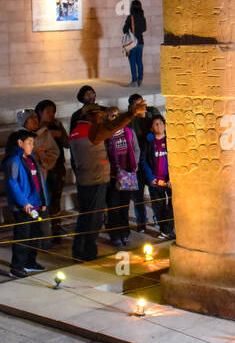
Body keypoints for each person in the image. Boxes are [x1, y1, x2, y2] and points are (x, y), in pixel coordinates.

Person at [69, 102, 134, 261]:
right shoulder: (89, 131)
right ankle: (85, 252)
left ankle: (84, 250)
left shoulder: (80, 130)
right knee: (92, 219)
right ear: (89, 117)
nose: (101, 119)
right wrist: (131, 113)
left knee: (89, 218)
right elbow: (114, 126)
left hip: (90, 179)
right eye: (98, 116)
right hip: (94, 181)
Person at [1, 130, 48, 278]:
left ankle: (30, 262)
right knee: (22, 236)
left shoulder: (31, 159)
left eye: (32, 143)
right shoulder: (13, 161)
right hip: (23, 207)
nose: (32, 146)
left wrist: (43, 200)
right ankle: (17, 267)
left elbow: (39, 181)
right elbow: (12, 183)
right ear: (20, 143)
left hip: (35, 204)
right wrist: (23, 202)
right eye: (29, 143)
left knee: (35, 234)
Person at [128, 94, 164, 234]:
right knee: (138, 196)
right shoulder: (131, 119)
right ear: (132, 107)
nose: (140, 106)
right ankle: (141, 222)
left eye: (141, 103)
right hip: (137, 162)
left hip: (151, 161)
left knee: (155, 193)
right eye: (137, 105)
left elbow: (160, 126)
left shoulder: (152, 113)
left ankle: (158, 219)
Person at [35, 99, 70, 237]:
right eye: (48, 111)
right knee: (43, 198)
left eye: (53, 112)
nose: (51, 115)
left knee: (56, 197)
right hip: (42, 167)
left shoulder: (57, 124)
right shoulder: (35, 127)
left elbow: (68, 143)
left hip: (57, 166)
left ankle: (56, 227)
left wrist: (60, 135)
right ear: (40, 112)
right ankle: (42, 229)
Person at [105, 116, 140, 247]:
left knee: (124, 207)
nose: (114, 118)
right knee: (114, 207)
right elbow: (104, 154)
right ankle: (115, 235)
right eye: (111, 115)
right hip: (112, 177)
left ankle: (124, 233)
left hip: (127, 176)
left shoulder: (129, 132)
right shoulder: (106, 135)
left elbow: (136, 149)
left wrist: (132, 166)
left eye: (116, 115)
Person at [140, 114, 175, 239]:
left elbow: (177, 160)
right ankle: (164, 229)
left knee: (174, 206)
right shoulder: (149, 141)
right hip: (155, 181)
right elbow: (143, 160)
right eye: (156, 124)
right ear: (151, 128)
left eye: (161, 123)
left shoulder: (171, 140)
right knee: (158, 206)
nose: (159, 126)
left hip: (170, 181)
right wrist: (151, 178)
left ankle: (167, 230)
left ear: (165, 125)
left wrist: (173, 178)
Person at [123, 0, 147, 85]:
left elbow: (124, 30)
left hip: (132, 43)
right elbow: (144, 29)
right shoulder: (142, 17)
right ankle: (140, 79)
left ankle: (134, 80)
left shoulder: (130, 17)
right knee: (139, 61)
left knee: (132, 61)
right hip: (140, 42)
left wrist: (130, 28)